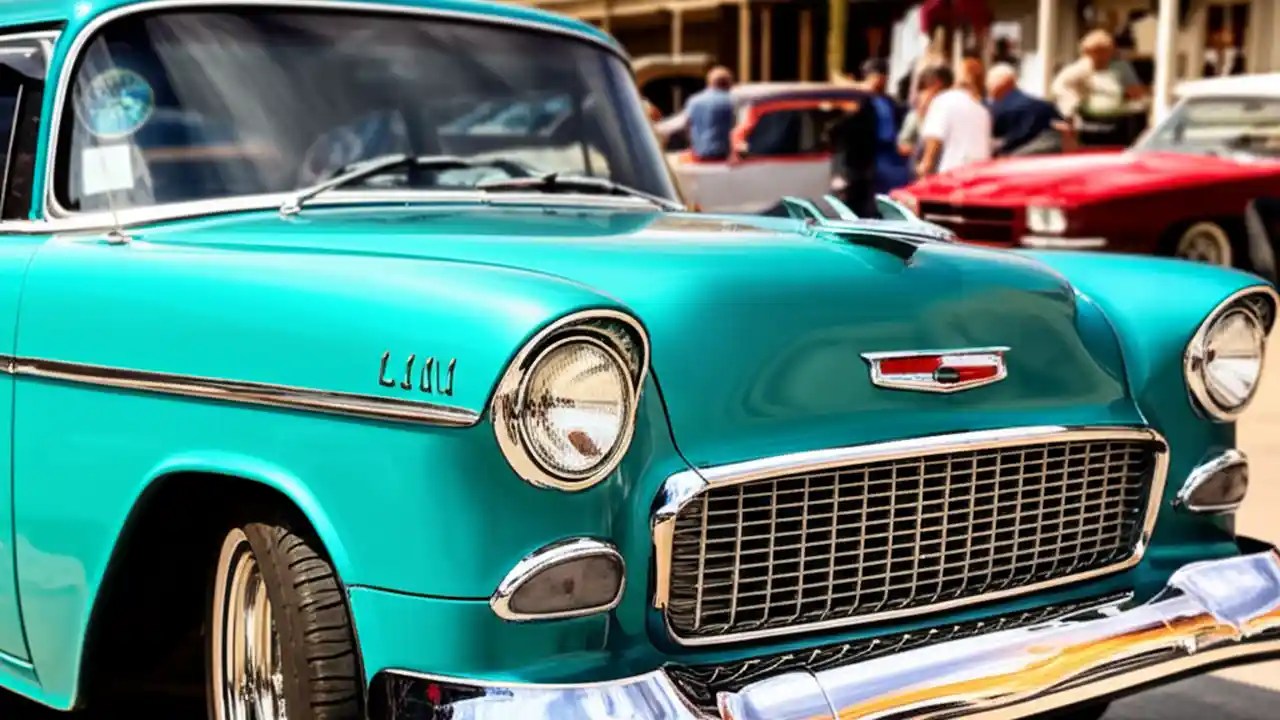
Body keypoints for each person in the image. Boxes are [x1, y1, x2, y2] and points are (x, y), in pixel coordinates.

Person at [1051, 30, 1148, 131]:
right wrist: (1072, 107)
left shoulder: (1121, 67)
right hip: (1086, 121)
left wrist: (1128, 95)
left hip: (1119, 119)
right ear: (1087, 52)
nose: (1102, 56)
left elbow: (1136, 93)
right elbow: (1059, 87)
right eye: (1097, 52)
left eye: (1106, 51)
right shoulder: (1079, 69)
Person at [917, 64, 992, 177]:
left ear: (935, 85)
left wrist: (923, 170)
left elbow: (932, 146)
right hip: (979, 176)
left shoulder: (942, 102)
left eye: (923, 89)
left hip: (951, 176)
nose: (920, 96)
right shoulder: (982, 110)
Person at [987, 63, 1070, 156]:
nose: (987, 87)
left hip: (1017, 157)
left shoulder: (993, 109)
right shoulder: (1044, 105)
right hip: (1052, 153)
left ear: (995, 85)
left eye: (988, 83)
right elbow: (1065, 129)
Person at [861, 58, 912, 193]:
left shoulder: (891, 102)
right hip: (872, 153)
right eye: (875, 76)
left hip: (891, 153)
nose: (880, 80)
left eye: (883, 75)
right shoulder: (861, 102)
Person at [684, 66, 737, 161]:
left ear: (709, 82)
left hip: (699, 154)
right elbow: (735, 127)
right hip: (722, 155)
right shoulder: (731, 100)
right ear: (728, 83)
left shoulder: (693, 100)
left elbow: (687, 125)